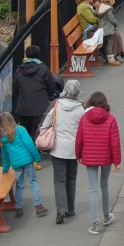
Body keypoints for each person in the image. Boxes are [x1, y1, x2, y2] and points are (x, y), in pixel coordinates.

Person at [75, 92, 121, 236]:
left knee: (93, 190)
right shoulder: (111, 119)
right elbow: (115, 142)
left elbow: (79, 140)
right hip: (106, 157)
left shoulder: (84, 118)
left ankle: (95, 224)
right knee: (104, 185)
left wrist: (78, 155)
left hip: (90, 157)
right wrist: (117, 162)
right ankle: (106, 216)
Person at [39, 79, 85, 224]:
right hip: (73, 150)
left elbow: (44, 126)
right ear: (77, 91)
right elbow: (84, 131)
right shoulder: (80, 110)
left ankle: (61, 209)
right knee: (71, 179)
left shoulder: (56, 106)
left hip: (58, 149)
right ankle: (70, 209)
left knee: (59, 179)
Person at [0, 111, 49, 218]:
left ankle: (18, 207)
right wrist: (36, 157)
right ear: (12, 119)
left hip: (16, 164)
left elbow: (5, 155)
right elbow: (29, 144)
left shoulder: (2, 136)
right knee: (33, 182)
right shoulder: (20, 130)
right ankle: (38, 205)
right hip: (28, 161)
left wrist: (5, 168)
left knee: (20, 185)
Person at [13, 44, 61, 140]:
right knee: (37, 133)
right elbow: (51, 88)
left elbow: (15, 89)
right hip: (40, 108)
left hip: (23, 108)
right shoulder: (43, 69)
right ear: (38, 55)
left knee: (24, 134)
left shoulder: (19, 70)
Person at [96, 0, 124, 65]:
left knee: (105, 43)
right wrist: (116, 23)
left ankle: (110, 57)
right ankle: (111, 60)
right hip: (109, 29)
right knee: (110, 44)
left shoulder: (100, 7)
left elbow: (96, 13)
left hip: (102, 28)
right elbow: (111, 19)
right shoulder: (108, 8)